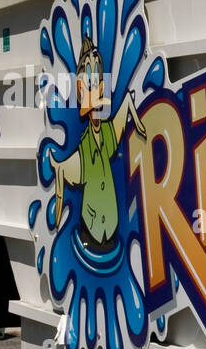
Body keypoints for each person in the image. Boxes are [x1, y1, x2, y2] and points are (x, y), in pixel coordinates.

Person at [51, 37, 146, 251]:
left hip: (111, 228)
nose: (95, 92)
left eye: (97, 85)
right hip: (90, 230)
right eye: (88, 85)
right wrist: (58, 167)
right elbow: (65, 169)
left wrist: (137, 121)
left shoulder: (107, 133)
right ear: (80, 89)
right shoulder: (85, 145)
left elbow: (125, 110)